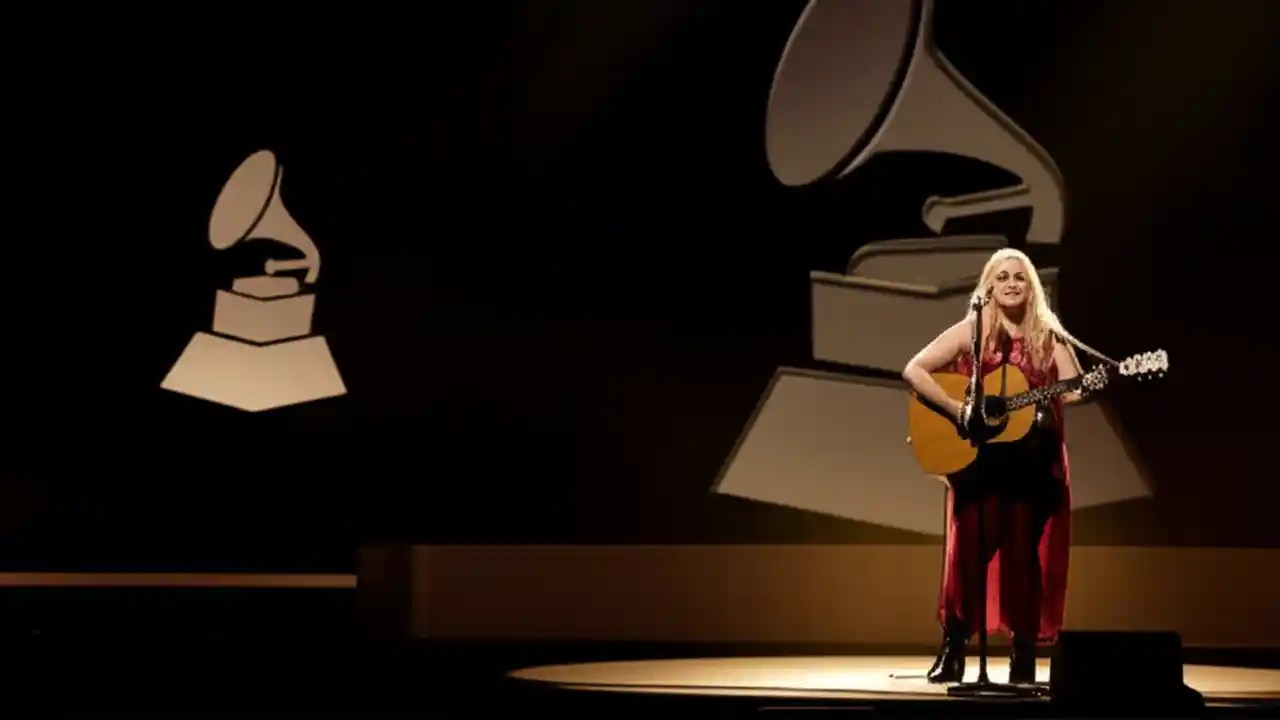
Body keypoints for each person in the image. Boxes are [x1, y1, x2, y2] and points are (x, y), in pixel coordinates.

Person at [901, 248, 1113, 685]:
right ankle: (955, 647)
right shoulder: (974, 330)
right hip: (981, 461)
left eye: (1020, 276)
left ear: (1032, 285)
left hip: (1031, 466)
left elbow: (1071, 390)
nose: (1012, 283)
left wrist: (1087, 386)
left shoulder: (1048, 334)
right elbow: (915, 369)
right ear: (990, 287)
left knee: (1023, 557)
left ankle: (1023, 654)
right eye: (1002, 277)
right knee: (970, 555)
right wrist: (957, 409)